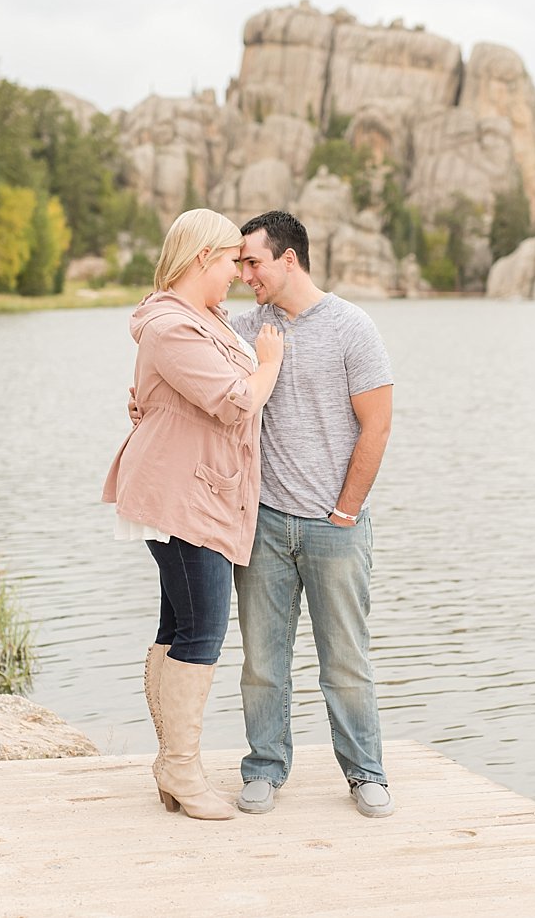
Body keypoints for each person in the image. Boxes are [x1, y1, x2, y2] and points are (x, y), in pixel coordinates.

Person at [102, 208, 283, 821]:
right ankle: (181, 767)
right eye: (231, 259)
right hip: (180, 496)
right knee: (203, 629)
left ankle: (171, 764)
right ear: (203, 258)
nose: (236, 271)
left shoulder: (205, 319)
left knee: (179, 625)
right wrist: (268, 367)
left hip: (197, 490)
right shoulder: (170, 326)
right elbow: (236, 402)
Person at [229, 210, 396, 817]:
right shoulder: (246, 327)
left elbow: (377, 426)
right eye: (238, 263)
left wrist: (346, 512)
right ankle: (265, 768)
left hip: (336, 527)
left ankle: (366, 774)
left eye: (252, 262)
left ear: (289, 258)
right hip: (266, 524)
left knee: (345, 660)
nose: (243, 273)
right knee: (262, 662)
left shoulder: (353, 327)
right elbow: (177, 325)